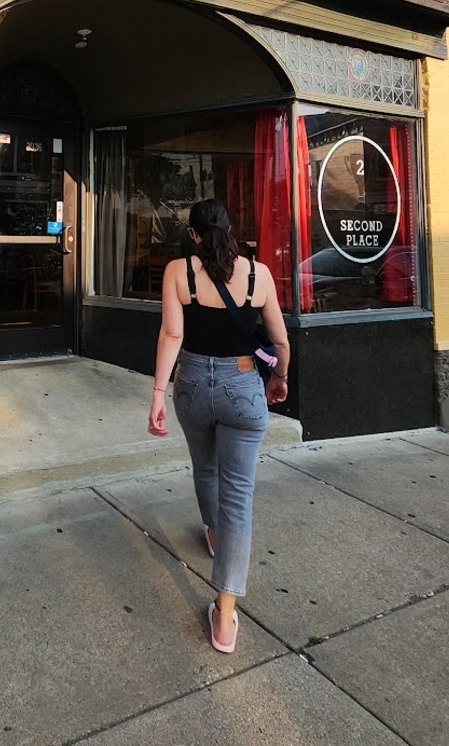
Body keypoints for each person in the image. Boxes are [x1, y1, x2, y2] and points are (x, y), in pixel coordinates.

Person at [148, 198, 290, 654]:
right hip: (244, 386)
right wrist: (280, 378)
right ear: (229, 229)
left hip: (191, 383)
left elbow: (172, 335)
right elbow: (281, 340)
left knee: (205, 468)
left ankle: (212, 531)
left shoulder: (178, 272)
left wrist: (158, 394)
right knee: (238, 497)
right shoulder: (259, 274)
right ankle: (225, 616)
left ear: (192, 234)